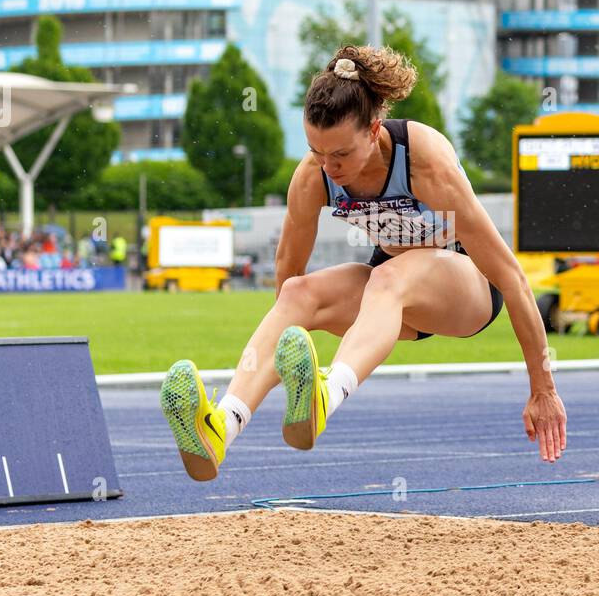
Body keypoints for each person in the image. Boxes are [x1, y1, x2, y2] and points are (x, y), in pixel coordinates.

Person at [158, 45, 568, 481]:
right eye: (316, 151)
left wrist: (542, 387)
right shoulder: (313, 175)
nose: (328, 167)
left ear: (374, 131)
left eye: (340, 155)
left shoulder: (426, 163)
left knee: (389, 277)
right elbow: (288, 274)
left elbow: (511, 277)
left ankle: (326, 395)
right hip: (389, 296)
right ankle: (223, 425)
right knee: (299, 294)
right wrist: (288, 354)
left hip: (468, 288)